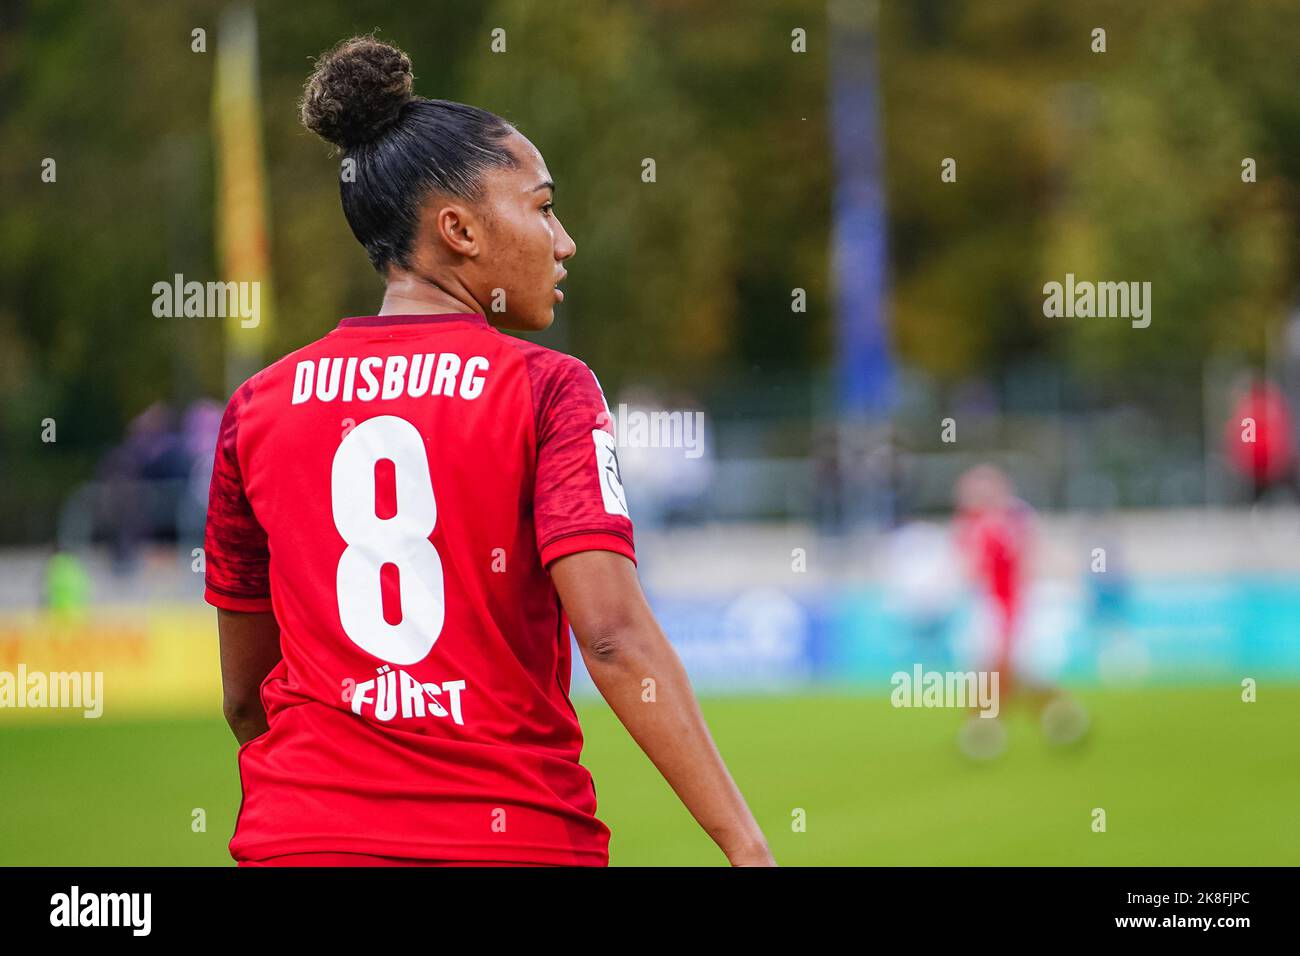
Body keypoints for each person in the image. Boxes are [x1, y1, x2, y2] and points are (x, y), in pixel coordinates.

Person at [204, 36, 773, 867]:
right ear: (460, 230)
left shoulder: (257, 406)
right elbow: (612, 639)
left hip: (302, 842)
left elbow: (246, 699)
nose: (565, 240)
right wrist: (749, 848)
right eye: (543, 208)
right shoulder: (546, 389)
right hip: (507, 840)